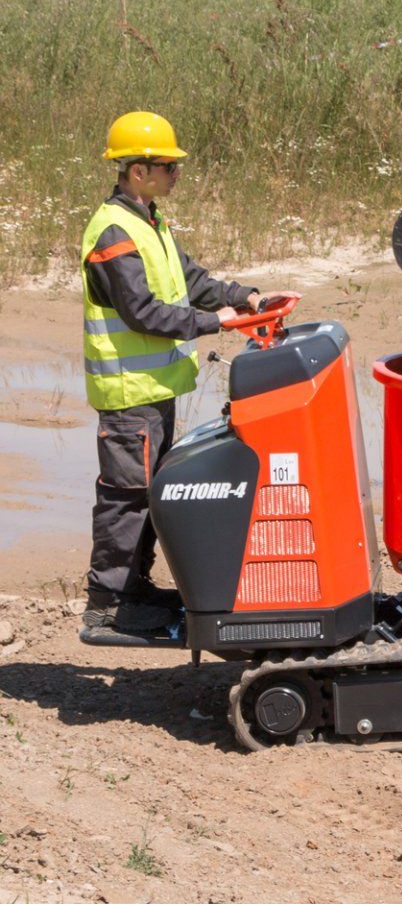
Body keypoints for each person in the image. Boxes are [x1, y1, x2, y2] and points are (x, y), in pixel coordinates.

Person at [78, 111, 301, 641]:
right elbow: (144, 313)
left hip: (154, 392)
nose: (177, 174)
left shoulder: (148, 219)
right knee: (127, 495)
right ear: (136, 170)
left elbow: (191, 279)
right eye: (168, 167)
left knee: (151, 493)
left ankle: (133, 589)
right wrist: (213, 322)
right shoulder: (113, 231)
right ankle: (107, 604)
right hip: (129, 394)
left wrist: (242, 297)